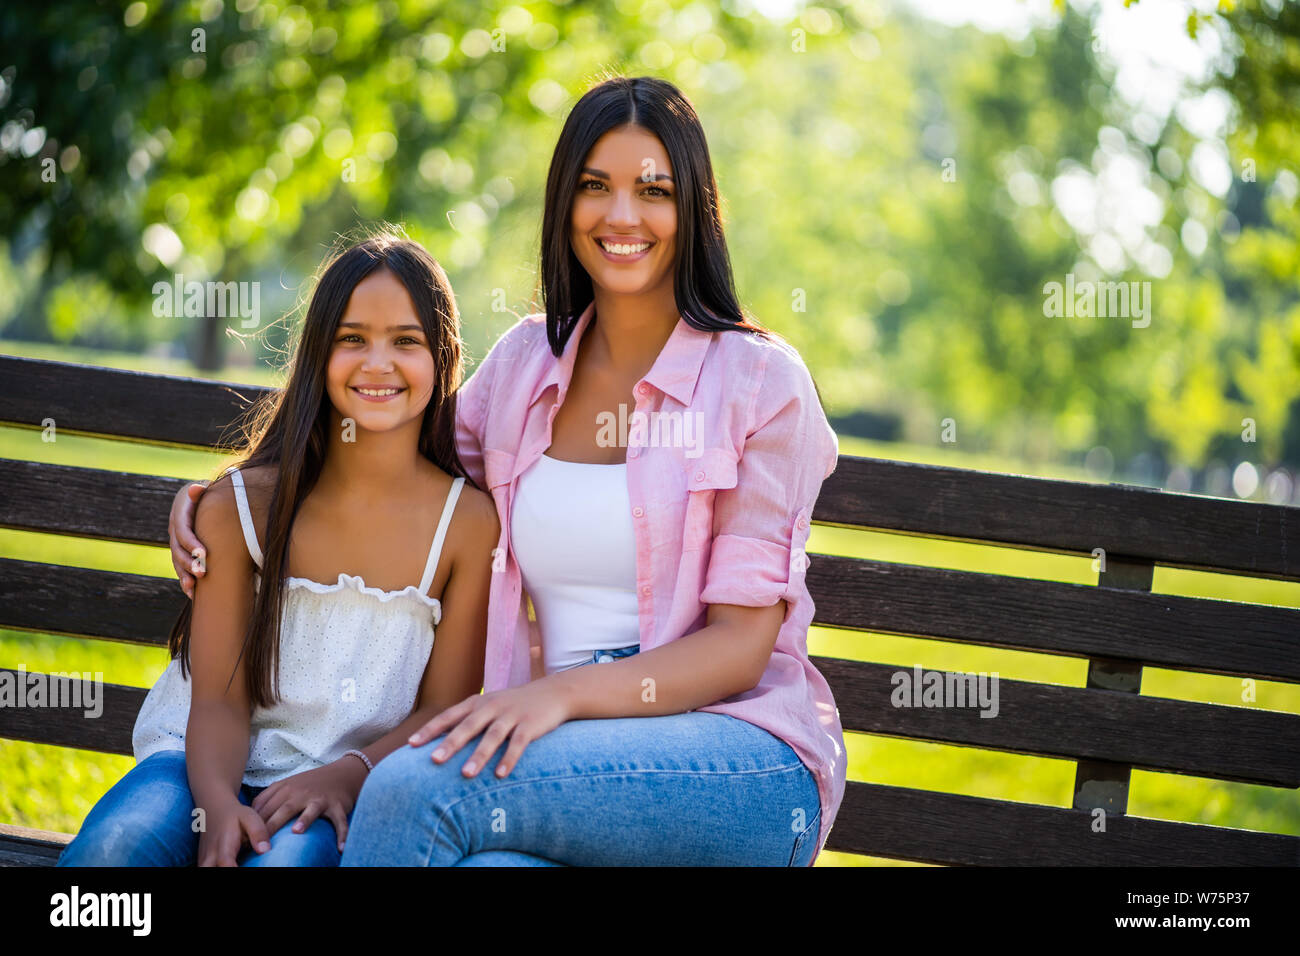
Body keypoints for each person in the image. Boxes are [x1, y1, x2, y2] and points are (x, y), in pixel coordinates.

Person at [168, 75, 845, 867]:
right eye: (595, 186)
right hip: (548, 762)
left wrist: (555, 696)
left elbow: (738, 646)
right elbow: (390, 452)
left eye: (652, 190)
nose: (621, 216)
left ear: (693, 207)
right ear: (565, 203)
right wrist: (226, 498)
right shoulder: (528, 362)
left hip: (732, 761)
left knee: (413, 790)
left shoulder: (759, 383)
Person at [58, 233, 498, 867]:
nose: (378, 363)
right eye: (352, 339)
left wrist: (349, 774)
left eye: (406, 340)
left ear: (443, 357)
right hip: (195, 762)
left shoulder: (465, 523)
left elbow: (442, 708)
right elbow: (217, 700)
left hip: (339, 787)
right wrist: (213, 808)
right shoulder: (244, 507)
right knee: (114, 853)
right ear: (317, 354)